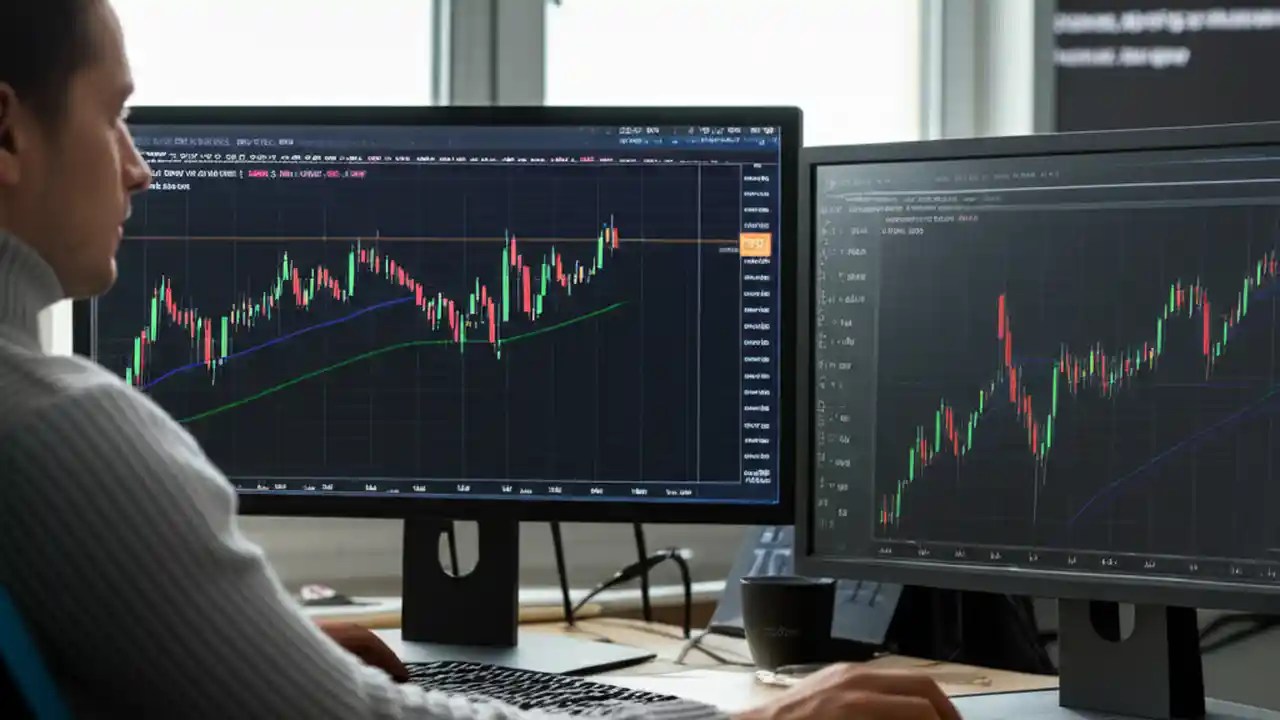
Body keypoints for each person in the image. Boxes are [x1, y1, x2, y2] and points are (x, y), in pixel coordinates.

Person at [0, 2, 965, 719]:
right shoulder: (64, 428)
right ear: (7, 131)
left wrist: (261, 650)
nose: (139, 166)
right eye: (113, 115)